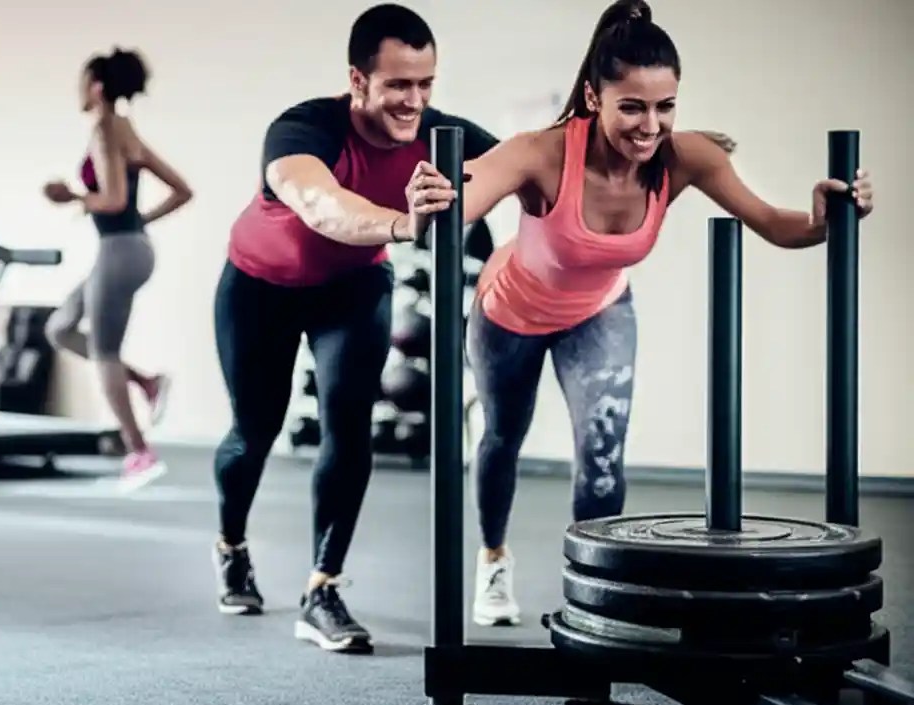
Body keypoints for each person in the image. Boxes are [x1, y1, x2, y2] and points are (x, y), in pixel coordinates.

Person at [402, 0, 875, 627]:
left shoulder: (686, 157)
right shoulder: (540, 154)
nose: (650, 125)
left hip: (598, 310)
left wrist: (825, 218)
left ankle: (593, 593)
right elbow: (457, 202)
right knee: (501, 438)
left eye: (665, 106)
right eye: (632, 106)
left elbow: (774, 224)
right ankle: (493, 557)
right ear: (596, 99)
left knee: (601, 456)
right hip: (510, 309)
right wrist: (427, 202)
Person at [211, 3, 499, 654]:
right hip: (258, 287)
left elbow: (539, 159)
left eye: (426, 84)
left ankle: (323, 587)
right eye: (399, 85)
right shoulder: (302, 129)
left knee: (349, 423)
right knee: (252, 433)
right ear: (358, 80)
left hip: (352, 288)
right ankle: (231, 542)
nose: (415, 101)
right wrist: (405, 225)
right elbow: (322, 207)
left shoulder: (442, 132)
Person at [42, 47, 188, 482]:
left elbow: (114, 200)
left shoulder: (105, 129)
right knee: (60, 327)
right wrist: (138, 223)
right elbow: (182, 190)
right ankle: (146, 382)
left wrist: (71, 196)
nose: (78, 89)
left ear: (98, 87)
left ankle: (140, 452)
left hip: (119, 249)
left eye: (83, 80)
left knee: (105, 352)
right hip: (130, 246)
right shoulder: (126, 128)